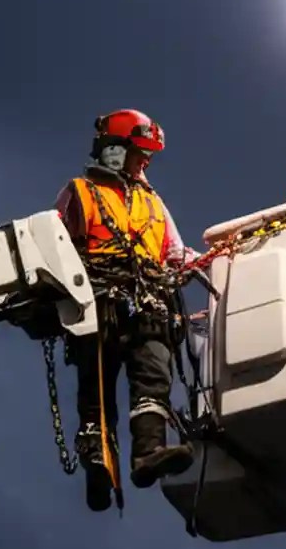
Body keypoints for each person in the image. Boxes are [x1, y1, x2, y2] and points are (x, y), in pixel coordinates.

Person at [53, 109, 197, 512]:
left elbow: (175, 253)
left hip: (147, 302)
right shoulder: (79, 193)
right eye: (139, 153)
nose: (145, 161)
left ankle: (149, 453)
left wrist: (212, 259)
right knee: (96, 391)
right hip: (98, 302)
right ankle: (98, 466)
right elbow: (56, 249)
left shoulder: (152, 202)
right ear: (115, 151)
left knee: (154, 375)